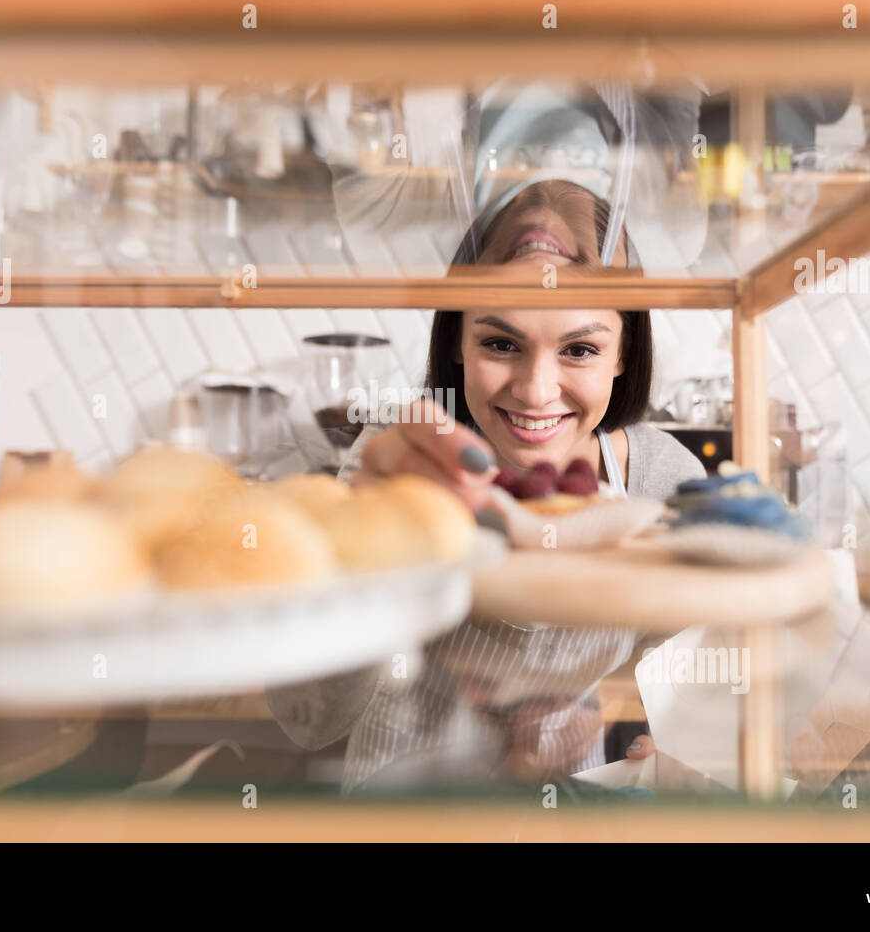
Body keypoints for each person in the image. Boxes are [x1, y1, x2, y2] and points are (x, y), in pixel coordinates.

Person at [267, 177, 705, 792]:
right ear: (457, 345)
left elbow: (682, 686)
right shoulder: (402, 458)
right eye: (501, 343)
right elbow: (308, 722)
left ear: (625, 351)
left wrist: (645, 726)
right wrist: (365, 558)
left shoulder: (665, 480)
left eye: (579, 350)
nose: (535, 390)